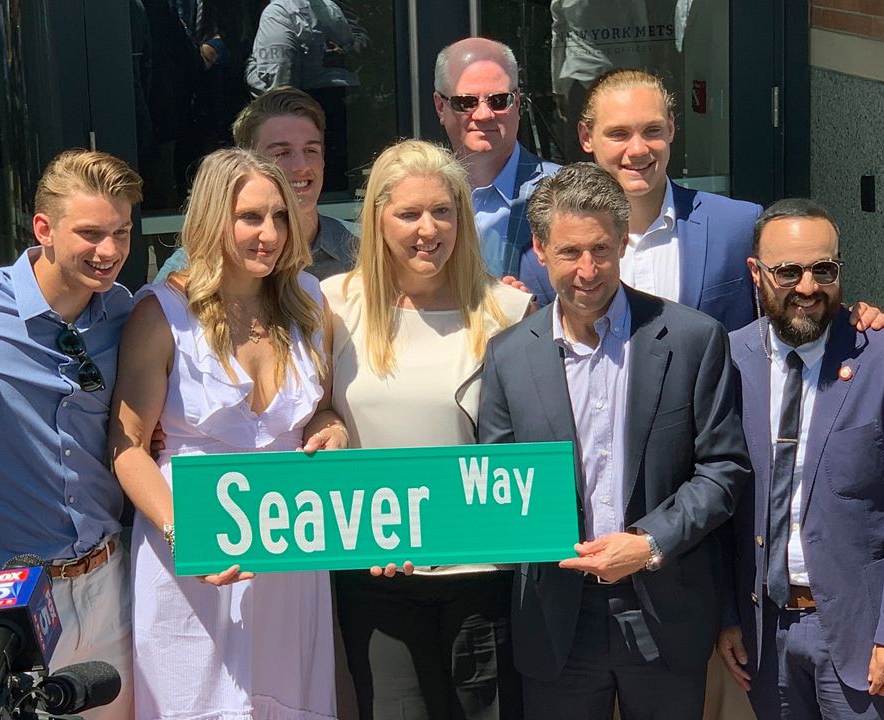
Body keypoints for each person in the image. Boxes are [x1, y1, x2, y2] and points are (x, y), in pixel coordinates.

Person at [477, 161, 751, 719]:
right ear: (539, 249)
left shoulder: (694, 340)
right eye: (570, 252)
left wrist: (648, 543)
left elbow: (723, 471)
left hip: (664, 610)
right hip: (557, 620)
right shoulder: (508, 356)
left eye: (601, 249)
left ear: (624, 242)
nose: (587, 269)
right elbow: (499, 487)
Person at [110, 147, 345, 719]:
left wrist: (331, 425)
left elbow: (316, 408)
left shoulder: (311, 303)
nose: (269, 233)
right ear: (214, 220)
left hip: (290, 552)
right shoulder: (162, 313)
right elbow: (127, 447)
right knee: (194, 700)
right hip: (192, 551)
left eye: (281, 217)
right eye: (250, 218)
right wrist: (183, 534)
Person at [0, 149, 142, 718]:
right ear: (43, 229)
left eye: (121, 233)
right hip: (1, 591)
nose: (109, 251)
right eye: (90, 233)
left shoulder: (125, 313)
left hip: (106, 575)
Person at [717, 199, 884, 719]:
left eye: (823, 269)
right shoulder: (727, 360)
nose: (808, 287)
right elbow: (717, 499)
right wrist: (727, 615)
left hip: (863, 634)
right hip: (764, 634)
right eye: (789, 271)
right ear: (756, 274)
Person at [323, 139, 531, 720]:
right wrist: (328, 422)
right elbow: (310, 408)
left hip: (484, 576)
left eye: (443, 212)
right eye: (409, 213)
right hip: (374, 572)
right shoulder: (332, 305)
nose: (427, 229)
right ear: (377, 218)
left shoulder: (510, 312)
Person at [519, 68, 757, 330]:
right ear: (587, 137)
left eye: (652, 131)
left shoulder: (738, 227)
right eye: (619, 134)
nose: (638, 150)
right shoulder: (543, 259)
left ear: (670, 129)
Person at [157, 85, 357, 282]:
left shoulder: (366, 249)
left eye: (311, 150)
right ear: (247, 161)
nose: (301, 166)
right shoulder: (188, 272)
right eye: (282, 153)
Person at [434, 37, 560, 279]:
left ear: (518, 102)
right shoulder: (420, 197)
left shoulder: (564, 190)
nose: (483, 114)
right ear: (441, 107)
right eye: (466, 102)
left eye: (498, 101)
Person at [247, 0, 361, 192]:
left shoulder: (277, 13)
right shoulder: (330, 8)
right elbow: (356, 46)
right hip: (341, 106)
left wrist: (249, 70)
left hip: (303, 112)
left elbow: (278, 84)